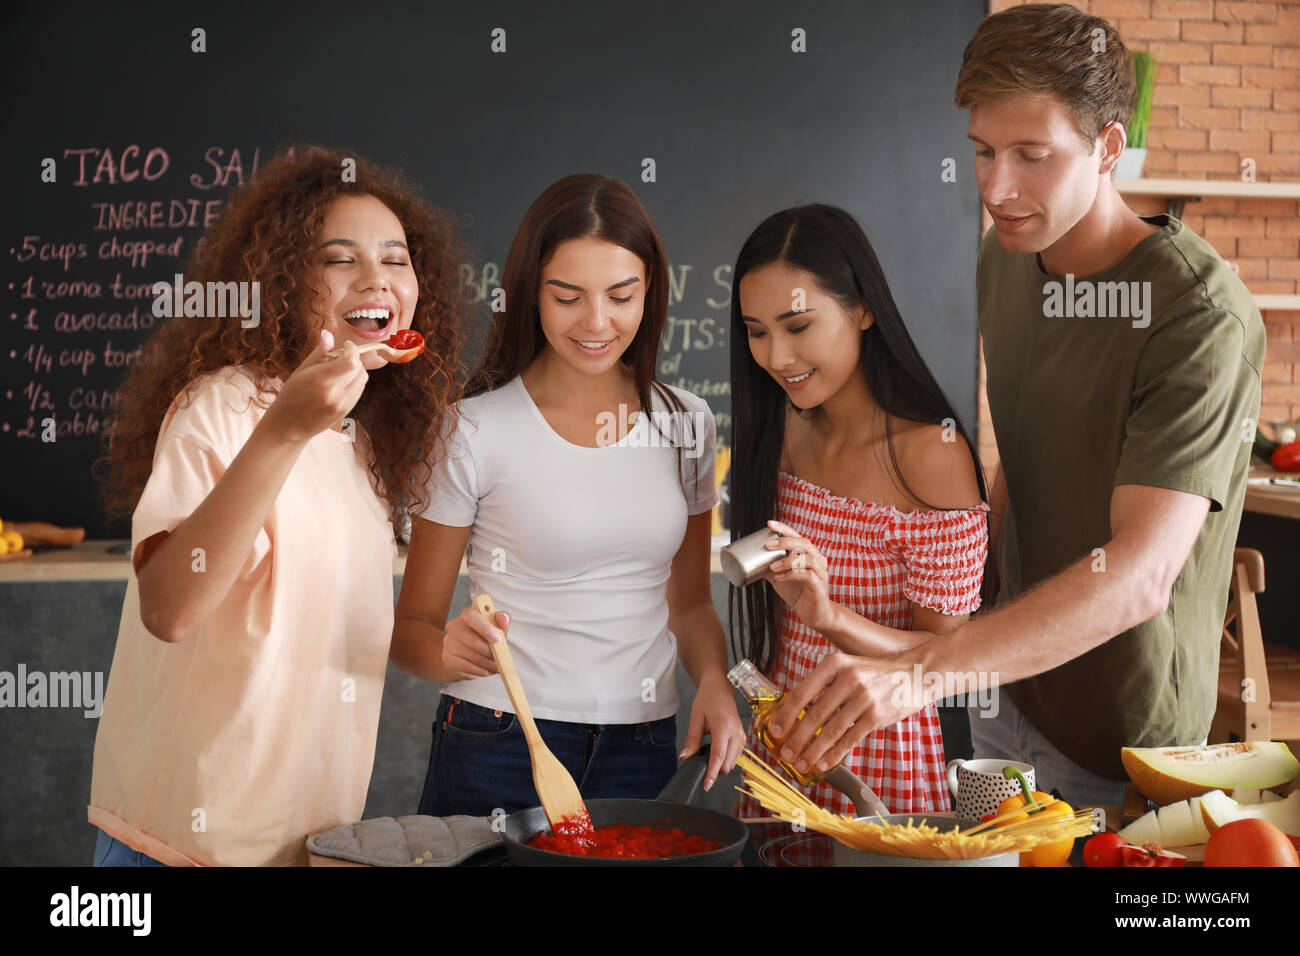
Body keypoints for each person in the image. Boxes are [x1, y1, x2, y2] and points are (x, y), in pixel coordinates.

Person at [766, 4, 1265, 808]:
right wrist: (928, 641)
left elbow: (1139, 577)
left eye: (1033, 156)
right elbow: (1025, 466)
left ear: (1109, 146)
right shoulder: (1005, 258)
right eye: (983, 152)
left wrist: (921, 671)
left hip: (1123, 742)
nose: (998, 188)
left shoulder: (1199, 315)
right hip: (1002, 701)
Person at [90, 147, 469, 865]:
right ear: (279, 278)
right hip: (186, 840)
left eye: (395, 259)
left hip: (303, 841)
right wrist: (282, 432)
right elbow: (169, 609)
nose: (376, 279)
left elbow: (309, 628)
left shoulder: (360, 439)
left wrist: (444, 645)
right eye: (338, 259)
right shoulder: (225, 404)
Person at [391, 173, 745, 815]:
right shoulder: (471, 428)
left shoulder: (686, 424)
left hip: (644, 741)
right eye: (568, 296)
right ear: (531, 294)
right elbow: (410, 631)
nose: (596, 322)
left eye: (620, 296)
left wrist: (715, 682)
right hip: (499, 737)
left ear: (650, 294)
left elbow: (690, 603)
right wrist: (445, 649)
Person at [728, 204, 989, 822]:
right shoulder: (783, 429)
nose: (776, 355)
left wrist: (831, 618)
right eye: (757, 330)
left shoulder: (933, 455)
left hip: (879, 765)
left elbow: (945, 658)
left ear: (863, 308)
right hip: (781, 753)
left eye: (797, 325)